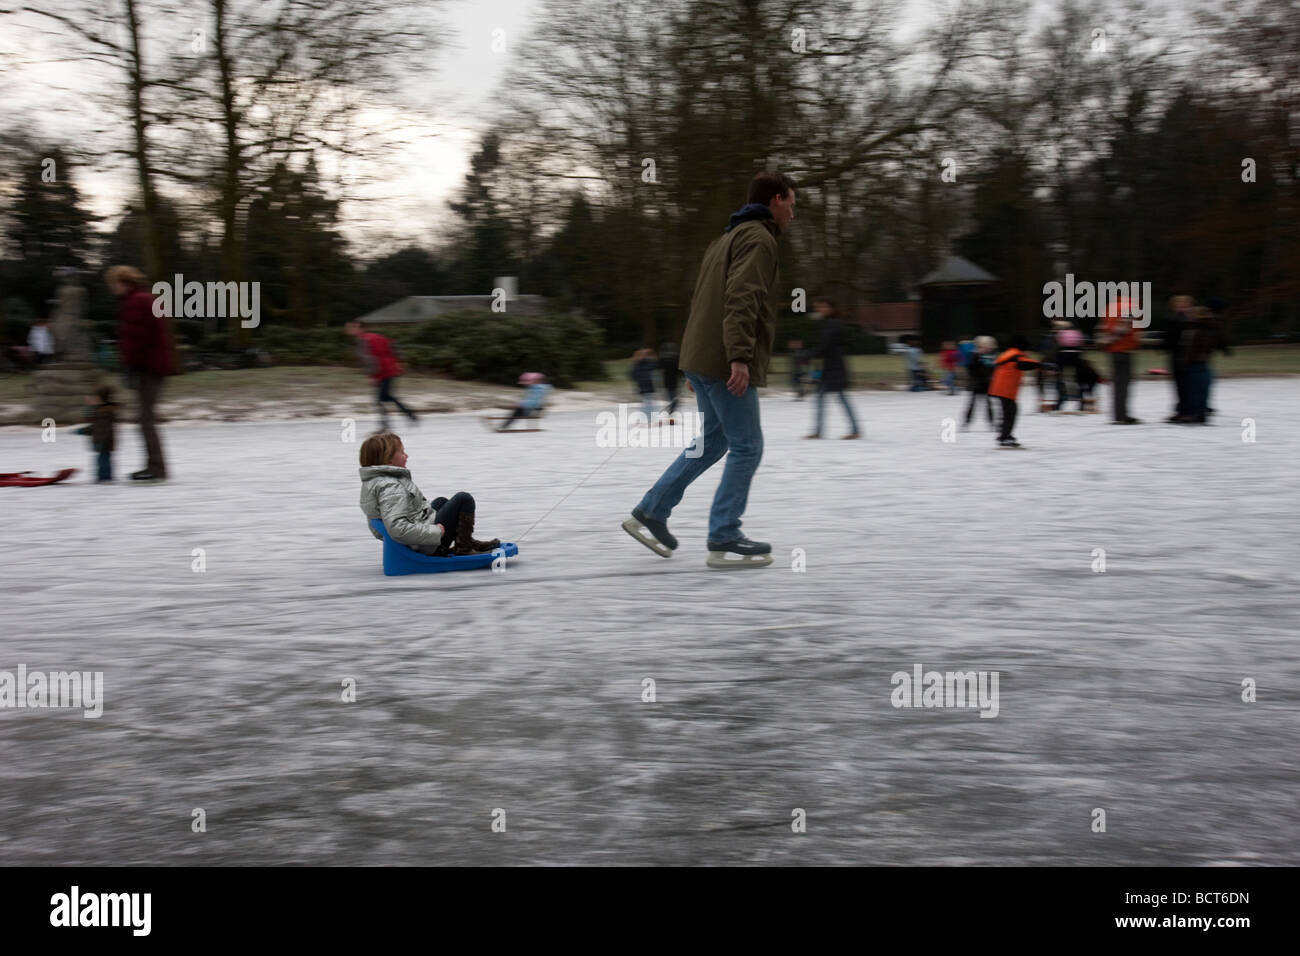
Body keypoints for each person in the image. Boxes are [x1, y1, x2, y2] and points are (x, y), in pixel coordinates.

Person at [622, 170, 796, 569]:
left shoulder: (724, 240)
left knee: (713, 442)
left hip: (703, 358)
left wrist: (693, 361)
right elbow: (741, 297)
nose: (793, 214)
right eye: (791, 204)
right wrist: (738, 356)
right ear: (775, 199)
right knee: (748, 446)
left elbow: (702, 302)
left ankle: (652, 510)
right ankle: (724, 535)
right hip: (722, 360)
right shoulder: (759, 238)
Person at [358, 432, 499, 556]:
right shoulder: (391, 487)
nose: (407, 455)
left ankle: (465, 541)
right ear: (389, 460)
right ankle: (464, 548)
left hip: (415, 540)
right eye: (402, 452)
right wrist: (435, 531)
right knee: (463, 499)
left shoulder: (378, 482)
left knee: (441, 502)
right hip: (422, 545)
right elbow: (397, 528)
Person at [105, 264, 177, 481]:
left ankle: (156, 468)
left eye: (113, 284)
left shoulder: (136, 302)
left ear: (122, 282)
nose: (111, 289)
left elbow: (136, 338)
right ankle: (154, 466)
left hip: (148, 368)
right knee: (145, 418)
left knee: (146, 419)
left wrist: (129, 364)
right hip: (152, 366)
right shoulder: (144, 299)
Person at [344, 320, 418, 430]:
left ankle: (387, 425)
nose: (347, 330)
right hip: (388, 369)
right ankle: (409, 414)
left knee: (381, 399)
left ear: (358, 327)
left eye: (350, 327)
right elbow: (392, 345)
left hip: (385, 371)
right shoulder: (370, 337)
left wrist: (373, 376)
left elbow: (372, 359)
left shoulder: (365, 340)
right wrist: (398, 362)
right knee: (386, 397)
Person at [803, 296, 860, 439]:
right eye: (818, 307)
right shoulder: (830, 323)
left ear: (831, 308)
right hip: (830, 367)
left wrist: (808, 355)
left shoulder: (833, 324)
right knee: (824, 398)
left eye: (822, 307)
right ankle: (819, 431)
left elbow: (825, 346)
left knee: (839, 398)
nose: (819, 310)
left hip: (834, 368)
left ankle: (854, 430)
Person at [988, 335, 1051, 448]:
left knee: (1008, 412)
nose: (1029, 352)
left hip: (1003, 389)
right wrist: (1042, 365)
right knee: (1010, 413)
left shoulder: (1011, 354)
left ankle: (1005, 435)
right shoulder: (1016, 355)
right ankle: (1004, 437)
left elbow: (1024, 362)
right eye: (1028, 349)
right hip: (1005, 390)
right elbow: (1024, 364)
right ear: (1023, 347)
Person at [1174, 303, 1231, 424]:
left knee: (1194, 390)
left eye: (1191, 314)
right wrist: (1225, 350)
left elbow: (1191, 348)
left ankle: (1195, 414)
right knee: (1202, 390)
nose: (1189, 316)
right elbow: (1222, 341)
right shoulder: (1213, 327)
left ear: (1197, 316)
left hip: (1195, 363)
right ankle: (1200, 413)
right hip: (1204, 363)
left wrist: (1184, 362)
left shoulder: (1195, 328)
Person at [1095, 297, 1141, 424]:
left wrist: (1104, 343)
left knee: (1117, 385)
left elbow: (1102, 327)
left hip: (1113, 351)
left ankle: (1118, 414)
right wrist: (1112, 340)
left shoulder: (1110, 307)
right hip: (1124, 350)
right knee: (1123, 385)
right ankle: (1122, 415)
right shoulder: (1130, 306)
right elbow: (1123, 328)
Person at [76, 386, 117, 482]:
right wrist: (82, 431)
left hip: (104, 443)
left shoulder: (104, 412)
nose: (93, 400)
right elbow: (91, 421)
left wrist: (101, 442)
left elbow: (102, 429)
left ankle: (105, 479)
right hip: (103, 442)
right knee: (102, 461)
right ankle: (103, 478)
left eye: (95, 398)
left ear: (100, 399)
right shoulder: (100, 411)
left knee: (103, 462)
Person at [1164, 295, 1194, 422]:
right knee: (1179, 386)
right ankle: (1181, 410)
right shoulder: (1179, 320)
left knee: (1185, 385)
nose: (1180, 307)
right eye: (1178, 305)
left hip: (1185, 358)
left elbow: (1171, 339)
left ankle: (1186, 412)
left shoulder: (1188, 321)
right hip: (1177, 357)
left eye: (1183, 305)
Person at [961, 335, 998, 430]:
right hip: (976, 384)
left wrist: (991, 378)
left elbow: (994, 369)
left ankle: (991, 423)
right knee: (972, 404)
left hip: (987, 384)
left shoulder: (991, 356)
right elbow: (970, 369)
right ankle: (966, 423)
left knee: (989, 404)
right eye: (983, 346)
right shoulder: (974, 355)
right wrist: (977, 357)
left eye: (988, 346)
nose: (986, 348)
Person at [629, 348, 658, 423]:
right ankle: (646, 418)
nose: (638, 358)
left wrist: (652, 353)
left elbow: (656, 364)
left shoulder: (648, 363)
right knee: (645, 403)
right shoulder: (636, 366)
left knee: (648, 403)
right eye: (637, 356)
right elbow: (632, 376)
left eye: (640, 356)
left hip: (649, 386)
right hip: (642, 387)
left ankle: (649, 418)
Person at [659, 341, 681, 422]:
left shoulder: (664, 359)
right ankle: (670, 414)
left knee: (673, 399)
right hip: (672, 382)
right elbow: (680, 371)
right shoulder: (675, 359)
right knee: (674, 400)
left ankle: (670, 413)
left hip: (669, 382)